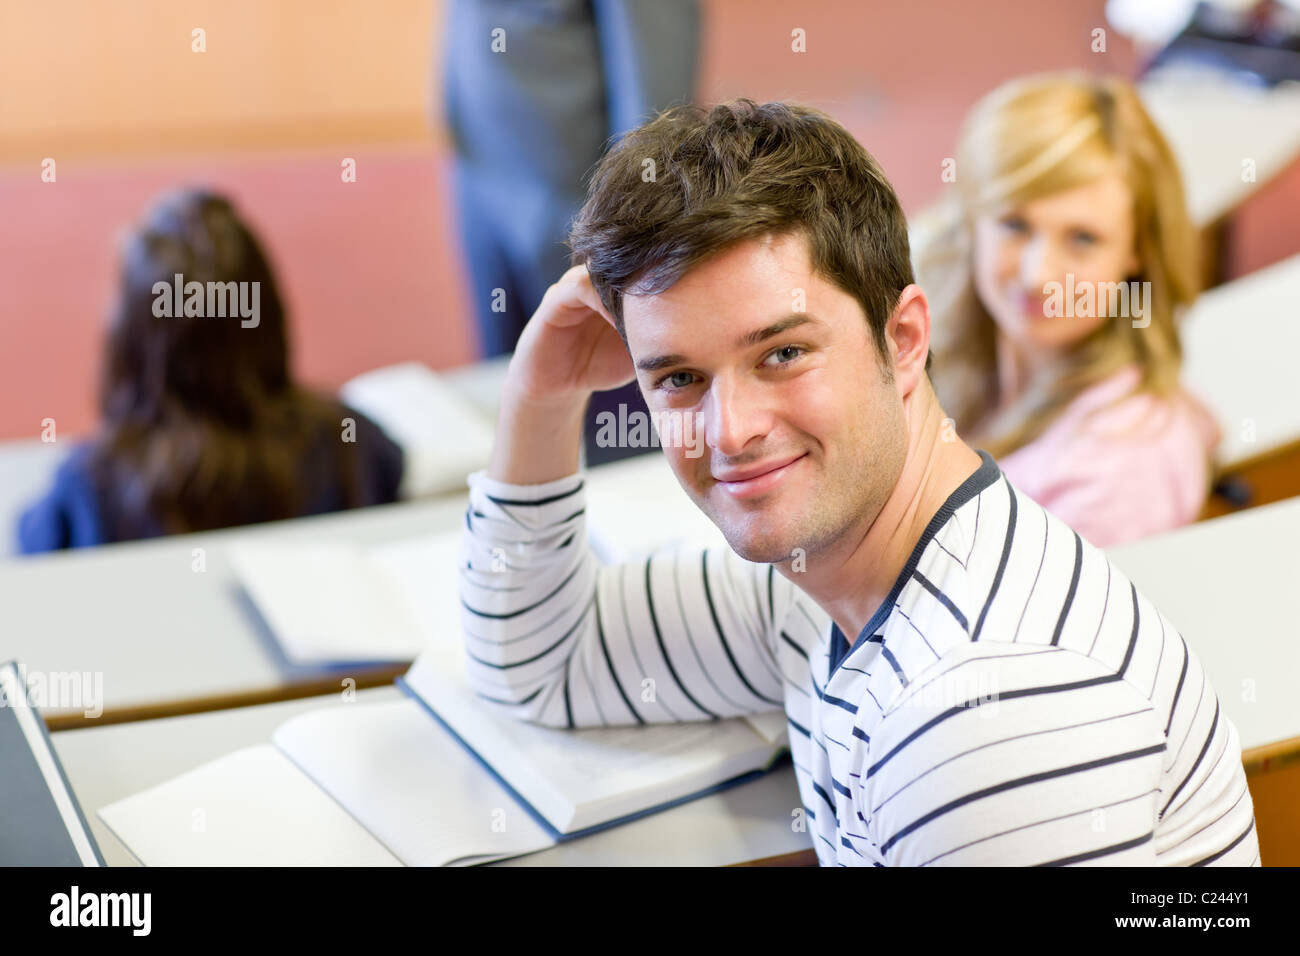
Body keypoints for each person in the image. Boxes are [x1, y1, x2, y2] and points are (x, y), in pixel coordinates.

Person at [451, 100, 1257, 866]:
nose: (731, 430)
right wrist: (542, 394)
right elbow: (541, 658)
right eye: (681, 378)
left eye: (783, 354)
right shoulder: (817, 579)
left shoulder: (985, 710)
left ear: (903, 340)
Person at [913, 73, 1220, 548]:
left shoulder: (1122, 471)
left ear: (1137, 250)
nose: (1039, 276)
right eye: (1015, 224)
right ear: (972, 221)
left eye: (1083, 239)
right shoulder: (943, 337)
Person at [16, 189, 403, 553]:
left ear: (129, 342)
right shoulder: (351, 444)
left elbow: (31, 561)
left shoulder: (89, 490)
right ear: (270, 320)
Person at [440, 0, 701, 466]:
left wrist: (637, 211)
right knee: (517, 378)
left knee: (610, 395)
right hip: (481, 172)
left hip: (573, 193)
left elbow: (656, 84)